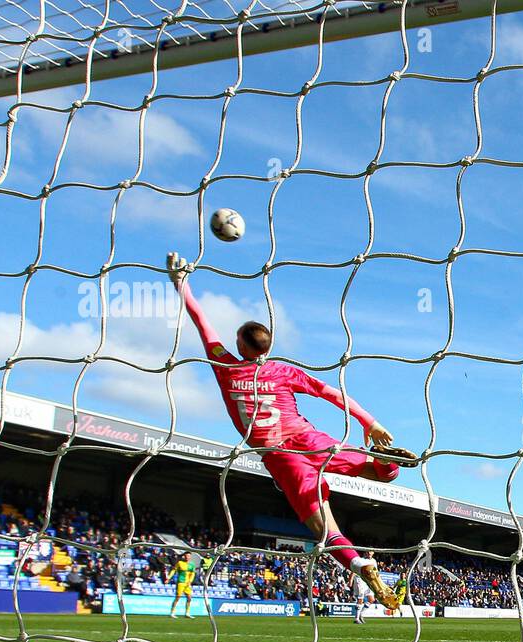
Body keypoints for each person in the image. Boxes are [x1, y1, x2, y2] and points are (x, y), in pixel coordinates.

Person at [167, 252, 412, 609]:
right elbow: (329, 392)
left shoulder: (225, 366)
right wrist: (368, 421)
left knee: (325, 529)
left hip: (282, 456)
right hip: (312, 440)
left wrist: (180, 281)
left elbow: (202, 321)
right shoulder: (284, 372)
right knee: (380, 474)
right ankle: (383, 460)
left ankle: (359, 563)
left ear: (240, 346)